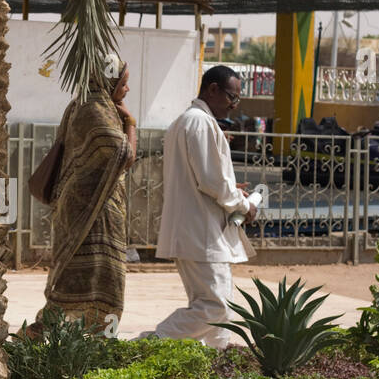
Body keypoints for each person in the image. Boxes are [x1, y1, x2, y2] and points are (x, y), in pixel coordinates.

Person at [152, 64, 257, 348]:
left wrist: (232, 192)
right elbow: (213, 182)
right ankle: (149, 344)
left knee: (222, 309)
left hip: (198, 232)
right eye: (232, 98)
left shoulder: (188, 122)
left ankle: (214, 362)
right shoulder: (198, 122)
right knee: (216, 308)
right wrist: (244, 205)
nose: (234, 106)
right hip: (201, 234)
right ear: (213, 90)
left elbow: (202, 178)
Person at [36, 60, 137, 332]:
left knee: (85, 277)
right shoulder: (95, 109)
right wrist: (131, 122)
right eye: (123, 82)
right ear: (108, 81)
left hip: (85, 207)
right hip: (93, 212)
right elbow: (124, 155)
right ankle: (45, 334)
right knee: (95, 279)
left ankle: (78, 341)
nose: (126, 88)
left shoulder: (82, 104)